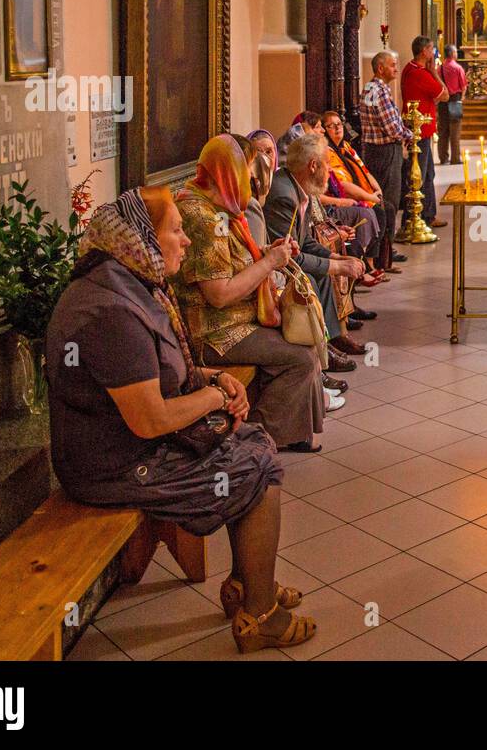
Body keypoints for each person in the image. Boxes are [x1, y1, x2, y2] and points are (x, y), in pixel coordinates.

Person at [46, 186, 315, 653]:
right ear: (142, 237)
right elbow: (150, 419)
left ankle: (249, 584)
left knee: (251, 443)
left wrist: (213, 377)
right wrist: (213, 396)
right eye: (175, 230)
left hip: (131, 447)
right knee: (257, 467)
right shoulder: (110, 309)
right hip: (113, 464)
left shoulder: (129, 280)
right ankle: (260, 615)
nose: (186, 240)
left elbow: (161, 370)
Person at [172, 135, 331, 449]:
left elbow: (232, 259)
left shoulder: (215, 204)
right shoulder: (203, 217)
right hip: (214, 331)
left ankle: (289, 432)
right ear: (227, 171)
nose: (250, 177)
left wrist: (266, 252)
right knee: (299, 357)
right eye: (244, 169)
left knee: (304, 342)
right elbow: (219, 293)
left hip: (234, 318)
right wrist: (270, 262)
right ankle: (255, 438)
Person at [265, 130, 368, 369]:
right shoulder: (284, 195)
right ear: (313, 165)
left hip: (286, 257)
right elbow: (290, 256)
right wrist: (338, 266)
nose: (330, 171)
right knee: (310, 277)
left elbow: (305, 241)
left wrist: (334, 256)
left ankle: (329, 340)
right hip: (274, 267)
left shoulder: (298, 186)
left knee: (322, 272)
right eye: (327, 165)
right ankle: (319, 349)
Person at [323, 109, 392, 282]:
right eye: (331, 126)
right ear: (324, 130)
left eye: (339, 124)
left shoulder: (346, 147)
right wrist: (370, 198)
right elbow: (343, 186)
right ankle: (367, 263)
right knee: (378, 213)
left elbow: (364, 171)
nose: (337, 129)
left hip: (365, 193)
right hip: (347, 198)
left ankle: (378, 261)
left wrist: (377, 191)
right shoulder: (328, 153)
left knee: (388, 209)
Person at [360, 50, 410, 269]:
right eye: (392, 65)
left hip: (373, 150)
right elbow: (392, 128)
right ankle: (384, 256)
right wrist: (410, 134)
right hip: (386, 151)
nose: (396, 68)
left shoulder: (370, 88)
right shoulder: (379, 91)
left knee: (381, 201)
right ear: (380, 68)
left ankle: (383, 252)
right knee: (388, 202)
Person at [400, 35, 449, 229]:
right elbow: (444, 95)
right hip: (419, 132)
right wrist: (434, 73)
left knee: (427, 173)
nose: (434, 53)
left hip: (421, 130)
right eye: (431, 49)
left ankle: (427, 214)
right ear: (424, 52)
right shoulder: (420, 73)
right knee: (419, 175)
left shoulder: (409, 69)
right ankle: (415, 218)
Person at [438, 44, 467, 165]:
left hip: (443, 101)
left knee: (443, 130)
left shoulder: (439, 68)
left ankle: (443, 158)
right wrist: (462, 98)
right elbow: (463, 85)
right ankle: (455, 158)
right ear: (453, 53)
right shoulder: (458, 68)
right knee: (455, 131)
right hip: (455, 99)